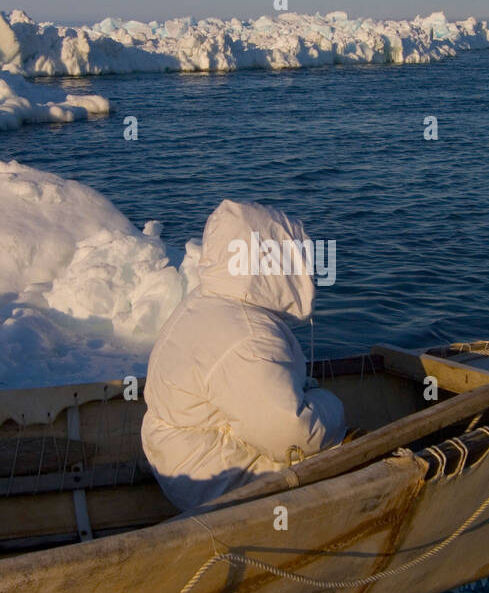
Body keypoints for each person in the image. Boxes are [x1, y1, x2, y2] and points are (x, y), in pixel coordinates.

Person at [141, 199, 346, 510]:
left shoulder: (207, 302)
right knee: (347, 455)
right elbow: (292, 435)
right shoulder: (248, 337)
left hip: (179, 461)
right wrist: (333, 405)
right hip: (215, 480)